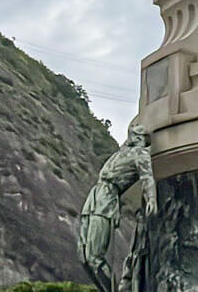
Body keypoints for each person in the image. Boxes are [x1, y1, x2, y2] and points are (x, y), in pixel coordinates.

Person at [76, 124, 157, 292]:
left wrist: (152, 198)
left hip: (106, 199)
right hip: (94, 197)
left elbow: (147, 177)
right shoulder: (122, 152)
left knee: (94, 258)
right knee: (83, 256)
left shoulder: (140, 154)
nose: (135, 138)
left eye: (140, 136)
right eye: (135, 134)